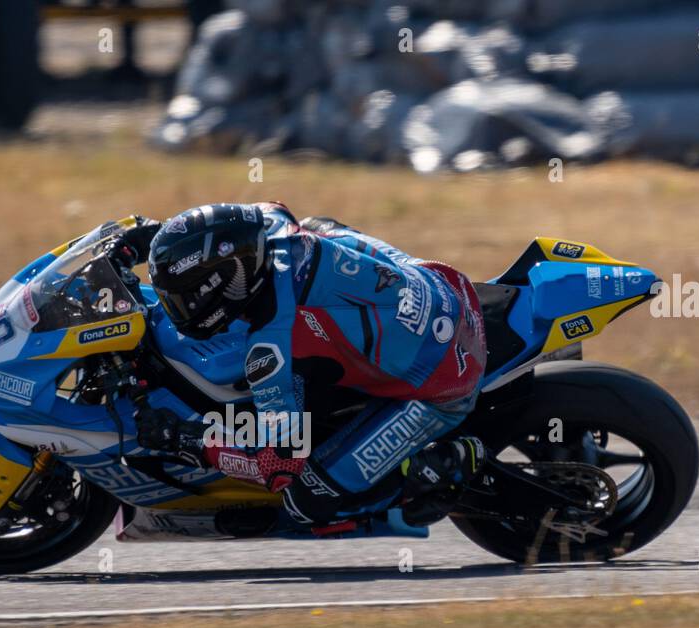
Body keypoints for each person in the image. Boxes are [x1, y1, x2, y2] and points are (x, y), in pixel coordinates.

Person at [115, 202, 487, 529]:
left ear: (224, 288)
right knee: (316, 223)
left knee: (307, 499)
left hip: (445, 378)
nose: (174, 307)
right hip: (440, 282)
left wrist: (185, 439)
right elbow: (225, 229)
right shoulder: (266, 223)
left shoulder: (270, 348)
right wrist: (146, 240)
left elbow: (277, 467)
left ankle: (440, 465)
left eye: (184, 299)